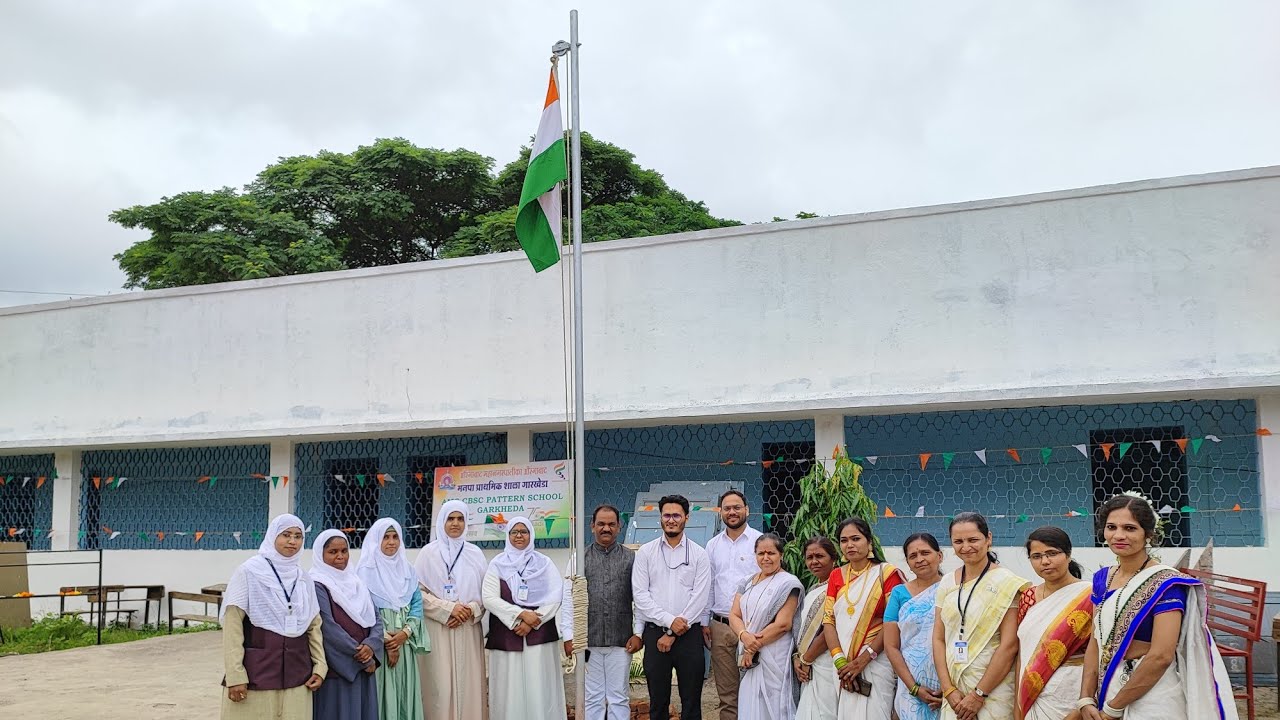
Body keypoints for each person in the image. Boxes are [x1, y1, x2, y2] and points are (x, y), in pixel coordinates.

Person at [1077, 493, 1238, 720]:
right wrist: (1085, 698)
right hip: (1108, 686)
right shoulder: (1103, 579)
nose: (1119, 535)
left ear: (1148, 534)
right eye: (1111, 527)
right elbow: (1096, 642)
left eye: (1130, 528)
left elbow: (1161, 656)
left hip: (1153, 694)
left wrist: (1113, 708)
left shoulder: (1165, 584)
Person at [220, 514, 326, 720]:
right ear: (272, 536)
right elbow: (232, 626)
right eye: (286, 535)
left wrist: (320, 666)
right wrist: (235, 675)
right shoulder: (249, 572)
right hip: (257, 674)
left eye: (298, 536)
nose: (292, 541)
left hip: (298, 675)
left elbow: (314, 625)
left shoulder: (303, 578)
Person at [932, 512, 1029, 720]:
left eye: (973, 540)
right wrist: (948, 689)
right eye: (958, 541)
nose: (966, 547)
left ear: (988, 538)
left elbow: (1009, 645)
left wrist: (978, 695)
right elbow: (938, 638)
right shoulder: (947, 582)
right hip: (954, 691)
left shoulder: (1007, 583)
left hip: (994, 690)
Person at [632, 494, 712, 720]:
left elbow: (700, 598)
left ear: (686, 517)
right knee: (658, 703)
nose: (671, 520)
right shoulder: (646, 553)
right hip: (655, 636)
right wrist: (669, 623)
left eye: (676, 515)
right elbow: (641, 596)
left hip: (689, 636)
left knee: (691, 703)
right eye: (666, 515)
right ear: (660, 518)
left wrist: (673, 632)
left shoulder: (699, 554)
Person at [821, 517, 906, 720]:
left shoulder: (887, 574)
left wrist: (863, 659)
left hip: (877, 661)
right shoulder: (836, 576)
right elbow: (828, 621)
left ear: (869, 542)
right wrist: (840, 662)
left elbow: (893, 622)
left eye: (856, 538)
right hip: (842, 665)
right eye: (844, 540)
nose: (849, 545)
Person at [483, 517, 567, 720]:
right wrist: (520, 615)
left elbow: (556, 596)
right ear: (508, 535)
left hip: (539, 636)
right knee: (508, 691)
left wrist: (533, 621)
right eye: (514, 532)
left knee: (540, 688)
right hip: (507, 635)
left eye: (524, 531)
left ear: (531, 534)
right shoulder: (497, 564)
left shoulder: (544, 564)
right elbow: (489, 598)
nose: (519, 536)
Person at [413, 500, 488, 720]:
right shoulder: (428, 553)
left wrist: (469, 610)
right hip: (438, 628)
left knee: (469, 685)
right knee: (439, 684)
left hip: (467, 628)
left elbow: (487, 593)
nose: (455, 523)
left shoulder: (475, 554)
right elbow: (417, 594)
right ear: (441, 521)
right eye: (450, 519)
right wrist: (448, 609)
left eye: (460, 519)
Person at [1015, 526, 1092, 720]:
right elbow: (1023, 654)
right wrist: (1018, 708)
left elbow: (1102, 655)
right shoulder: (1028, 597)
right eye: (1036, 556)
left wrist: (1083, 706)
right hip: (1031, 697)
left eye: (1052, 553)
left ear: (1068, 554)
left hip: (1073, 696)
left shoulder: (1090, 596)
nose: (1045, 562)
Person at [357, 518, 430, 720]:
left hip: (404, 642)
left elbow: (417, 603)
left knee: (405, 691)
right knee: (382, 692)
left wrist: (406, 633)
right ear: (376, 540)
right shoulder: (364, 572)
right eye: (385, 537)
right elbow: (363, 610)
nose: (391, 542)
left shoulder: (408, 570)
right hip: (379, 644)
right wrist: (388, 641)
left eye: (395, 537)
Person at [729, 533, 804, 720]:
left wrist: (752, 646)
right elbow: (734, 615)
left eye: (771, 553)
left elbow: (783, 624)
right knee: (750, 701)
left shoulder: (789, 583)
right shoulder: (747, 582)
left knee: (775, 703)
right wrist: (744, 636)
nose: (766, 558)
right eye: (761, 553)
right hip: (748, 650)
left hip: (775, 653)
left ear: (781, 555)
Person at [311, 529, 383, 720]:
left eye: (344, 551)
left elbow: (376, 618)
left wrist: (372, 645)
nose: (340, 556)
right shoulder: (317, 584)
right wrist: (363, 658)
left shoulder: (357, 581)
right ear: (320, 554)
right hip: (340, 668)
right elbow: (328, 627)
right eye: (332, 552)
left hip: (364, 665)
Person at [704, 489, 763, 720]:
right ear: (720, 512)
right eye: (727, 508)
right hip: (720, 626)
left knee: (756, 689)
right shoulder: (712, 545)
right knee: (727, 694)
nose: (732, 512)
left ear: (746, 509)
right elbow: (709, 584)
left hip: (753, 626)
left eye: (737, 507)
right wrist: (704, 622)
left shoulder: (760, 542)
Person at [583, 504, 643, 720]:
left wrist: (638, 633)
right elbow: (570, 599)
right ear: (592, 526)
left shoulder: (631, 558)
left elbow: (640, 598)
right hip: (589, 640)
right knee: (593, 697)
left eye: (611, 524)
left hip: (621, 641)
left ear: (619, 527)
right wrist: (570, 636)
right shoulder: (580, 558)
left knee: (619, 697)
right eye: (601, 524)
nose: (606, 528)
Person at [884, 532, 945, 720]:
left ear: (939, 556)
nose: (919, 559)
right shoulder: (898, 593)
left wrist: (949, 689)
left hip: (949, 686)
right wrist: (914, 688)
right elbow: (891, 646)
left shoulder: (953, 589)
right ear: (908, 563)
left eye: (925, 553)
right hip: (910, 684)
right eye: (913, 556)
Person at [794, 537, 840, 720]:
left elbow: (830, 630)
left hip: (827, 663)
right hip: (808, 665)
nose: (814, 562)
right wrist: (798, 658)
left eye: (820, 556)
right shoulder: (813, 588)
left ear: (833, 558)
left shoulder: (840, 587)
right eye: (809, 557)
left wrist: (806, 659)